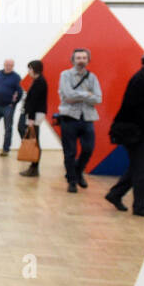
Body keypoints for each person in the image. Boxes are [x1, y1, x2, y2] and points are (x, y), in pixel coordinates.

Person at [105, 51, 144, 218]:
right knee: (142, 169)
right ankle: (140, 205)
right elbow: (135, 108)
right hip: (136, 131)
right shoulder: (141, 81)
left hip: (140, 130)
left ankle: (115, 194)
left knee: (137, 167)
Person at [56, 47, 103, 193]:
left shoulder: (92, 77)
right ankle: (72, 181)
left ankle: (77, 171)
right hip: (69, 117)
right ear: (73, 60)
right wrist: (87, 94)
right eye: (78, 58)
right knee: (70, 152)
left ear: (88, 60)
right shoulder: (65, 75)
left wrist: (79, 96)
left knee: (88, 149)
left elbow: (98, 98)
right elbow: (68, 95)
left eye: (84, 58)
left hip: (87, 117)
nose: (81, 61)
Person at [19, 59, 48, 178]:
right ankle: (33, 166)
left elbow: (35, 102)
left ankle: (34, 167)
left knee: (34, 141)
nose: (29, 71)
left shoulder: (40, 82)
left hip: (35, 115)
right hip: (33, 114)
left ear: (34, 69)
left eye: (30, 68)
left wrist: (31, 118)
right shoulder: (37, 81)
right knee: (33, 139)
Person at [0, 59, 23, 155]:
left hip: (8, 107)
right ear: (4, 64)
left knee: (8, 129)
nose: (8, 66)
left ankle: (5, 150)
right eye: (7, 64)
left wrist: (14, 103)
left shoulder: (16, 77)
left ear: (13, 66)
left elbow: (20, 92)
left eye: (10, 65)